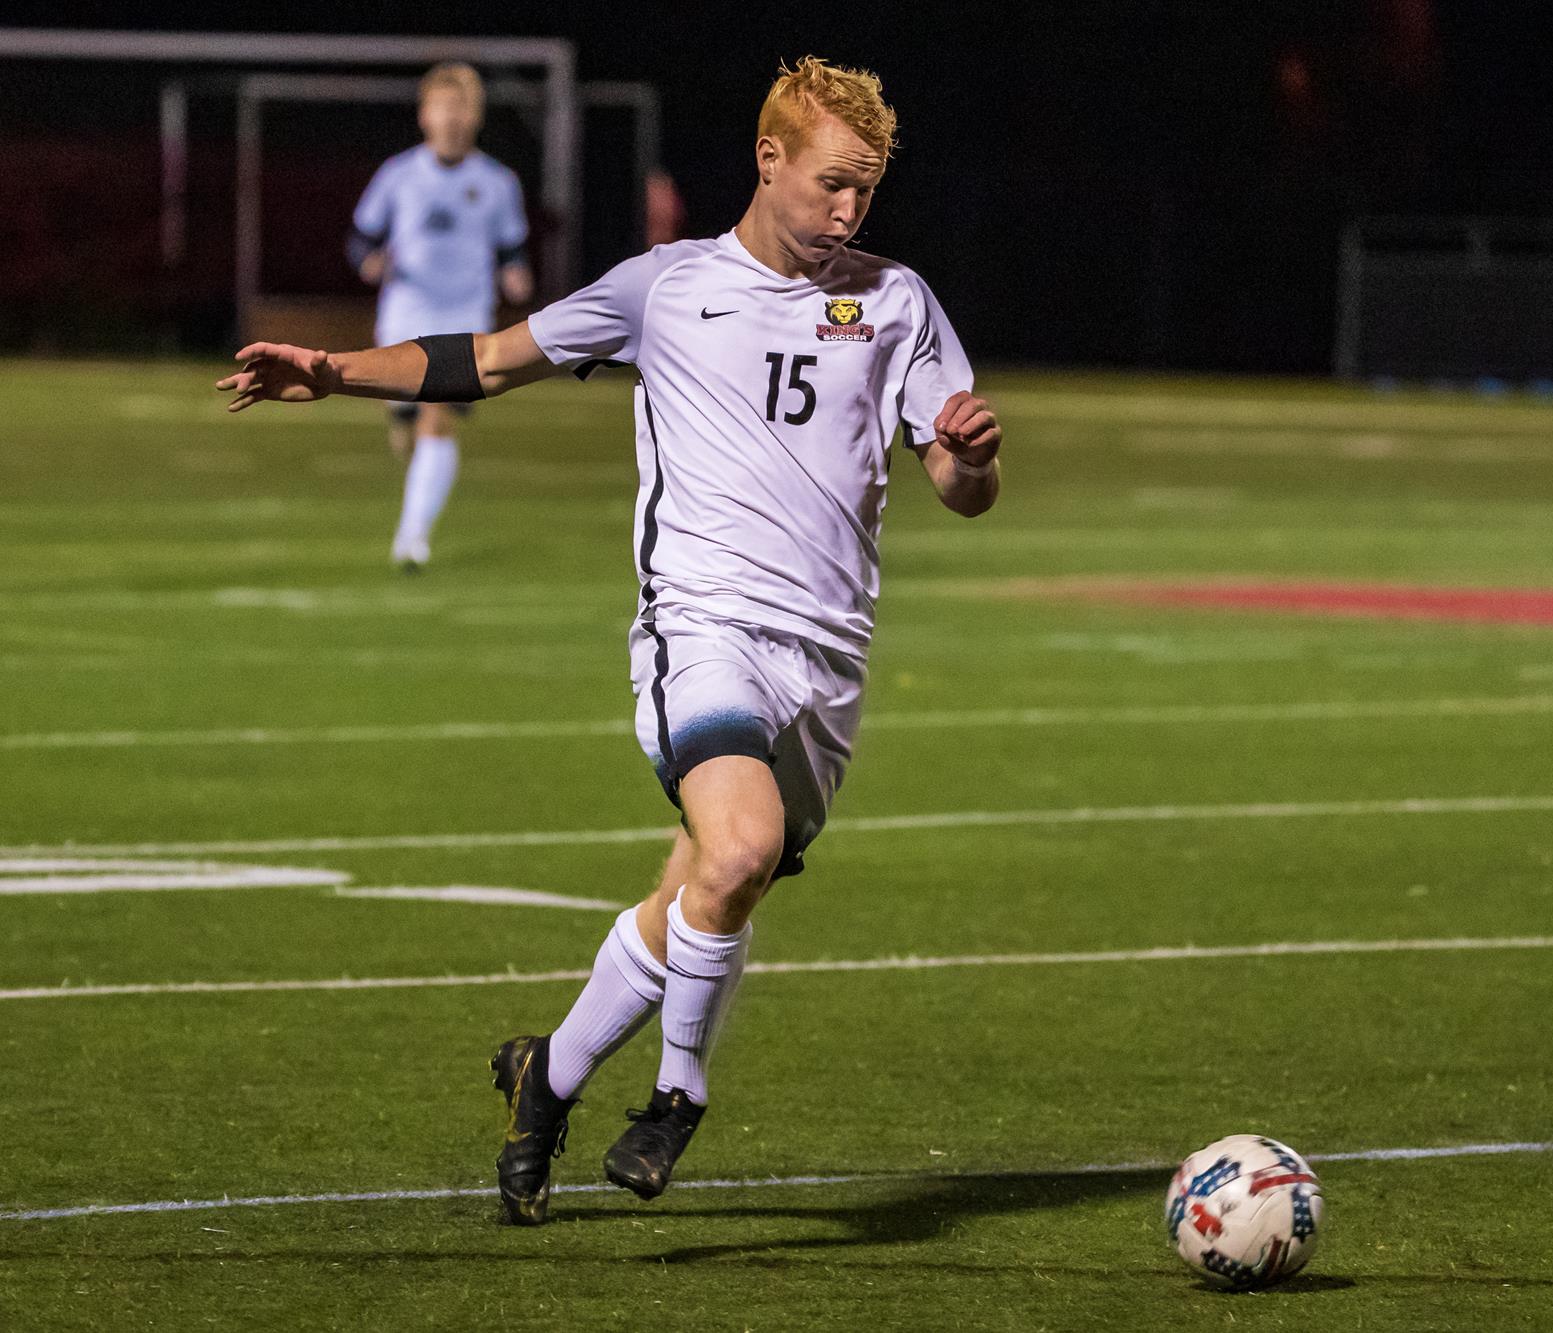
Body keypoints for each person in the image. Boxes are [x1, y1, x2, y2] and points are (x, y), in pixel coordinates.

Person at [216, 57, 1003, 1226]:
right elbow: (484, 361)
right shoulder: (665, 288)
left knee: (698, 885)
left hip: (826, 661)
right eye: (833, 183)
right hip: (700, 627)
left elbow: (952, 481)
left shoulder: (895, 300)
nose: (850, 211)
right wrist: (333, 372)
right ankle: (677, 1094)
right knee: (736, 851)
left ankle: (550, 1073)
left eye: (868, 190)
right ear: (767, 158)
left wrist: (967, 454)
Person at [347, 62, 533, 571]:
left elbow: (511, 248)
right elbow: (361, 236)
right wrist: (369, 261)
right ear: (424, 115)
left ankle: (412, 538)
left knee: (438, 413)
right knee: (406, 424)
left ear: (476, 116)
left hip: (464, 315)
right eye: (442, 108)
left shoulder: (497, 182)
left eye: (461, 108)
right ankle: (415, 503)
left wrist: (515, 274)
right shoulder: (399, 174)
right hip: (405, 311)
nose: (451, 119)